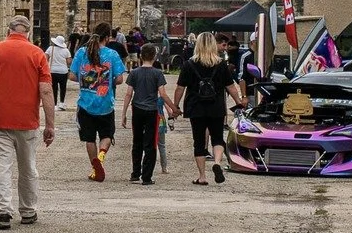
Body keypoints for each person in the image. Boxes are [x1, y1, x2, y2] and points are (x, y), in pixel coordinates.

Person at [0, 15, 56, 229]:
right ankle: (28, 211)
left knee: (2, 166)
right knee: (28, 167)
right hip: (27, 120)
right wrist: (50, 124)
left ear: (8, 31)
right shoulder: (37, 54)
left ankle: (3, 212)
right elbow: (46, 90)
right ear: (28, 33)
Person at [171, 30, 245, 185]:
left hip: (196, 107)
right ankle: (217, 163)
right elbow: (230, 86)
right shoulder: (221, 64)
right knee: (217, 137)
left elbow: (180, 88)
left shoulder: (189, 64)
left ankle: (202, 176)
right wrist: (238, 101)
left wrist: (175, 106)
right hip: (216, 106)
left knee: (198, 142)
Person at [70, 24, 126, 181]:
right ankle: (100, 158)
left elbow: (72, 75)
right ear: (107, 38)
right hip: (105, 103)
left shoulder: (82, 52)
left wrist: (87, 80)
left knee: (89, 138)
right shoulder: (112, 54)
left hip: (85, 103)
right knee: (107, 135)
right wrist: (106, 80)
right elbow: (120, 79)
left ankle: (95, 169)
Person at [121, 42, 168, 185]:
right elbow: (162, 94)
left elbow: (128, 94)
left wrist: (124, 113)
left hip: (137, 109)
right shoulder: (158, 73)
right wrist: (173, 108)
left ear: (141, 56)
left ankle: (135, 173)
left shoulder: (134, 73)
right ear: (154, 57)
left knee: (137, 141)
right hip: (152, 110)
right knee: (150, 143)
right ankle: (147, 176)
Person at [46, 34, 71, 109]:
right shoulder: (66, 50)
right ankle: (62, 103)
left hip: (52, 71)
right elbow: (69, 61)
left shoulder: (51, 48)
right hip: (63, 71)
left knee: (54, 88)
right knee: (63, 87)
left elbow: (45, 58)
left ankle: (55, 104)